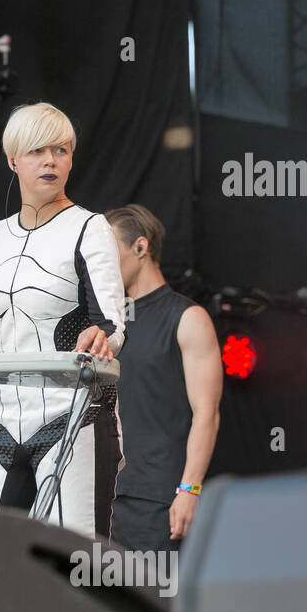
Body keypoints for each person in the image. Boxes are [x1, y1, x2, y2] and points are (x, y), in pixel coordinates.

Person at [0, 102, 126, 538]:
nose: (50, 160)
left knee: (76, 563)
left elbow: (110, 323)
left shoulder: (90, 228)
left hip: (74, 417)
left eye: (61, 150)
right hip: (1, 426)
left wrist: (99, 335)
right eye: (37, 151)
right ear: (13, 159)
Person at [104, 204, 221, 552]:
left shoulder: (187, 318)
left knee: (160, 602)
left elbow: (207, 413)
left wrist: (189, 489)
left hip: (161, 497)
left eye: (110, 251)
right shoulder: (110, 326)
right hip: (110, 496)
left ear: (140, 248)